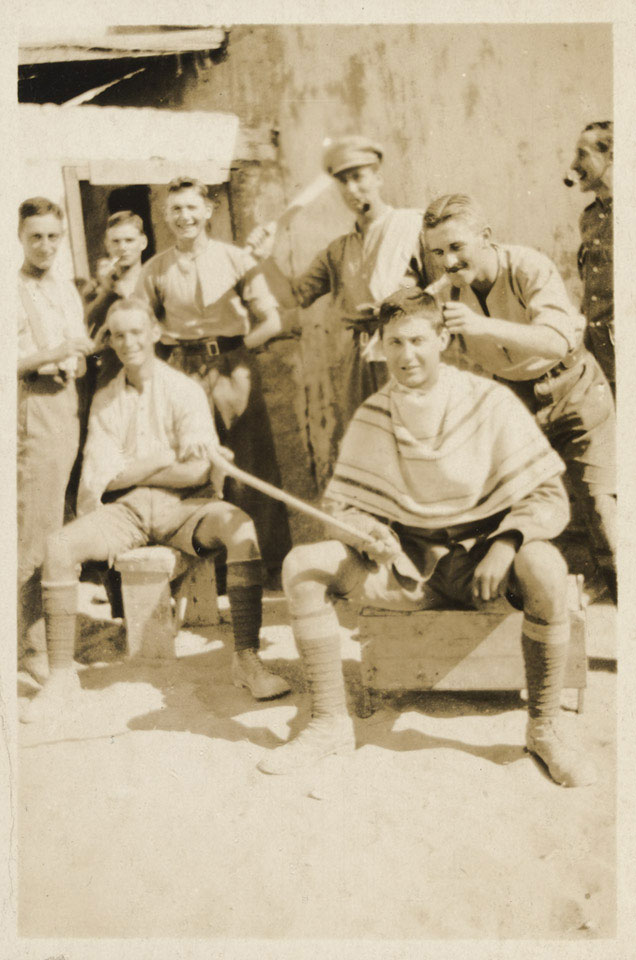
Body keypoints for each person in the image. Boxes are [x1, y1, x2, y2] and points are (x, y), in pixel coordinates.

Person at [257, 288, 596, 788]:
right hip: (409, 568)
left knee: (546, 566)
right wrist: (368, 533)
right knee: (303, 567)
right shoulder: (376, 413)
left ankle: (544, 728)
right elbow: (341, 509)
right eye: (394, 342)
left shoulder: (489, 401)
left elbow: (548, 498)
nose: (406, 355)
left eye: (417, 340)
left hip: (486, 566)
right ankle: (328, 722)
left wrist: (505, 545)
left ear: (442, 338)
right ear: (381, 346)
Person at [22, 297, 290, 724]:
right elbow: (104, 479)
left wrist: (140, 469)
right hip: (128, 513)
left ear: (154, 334)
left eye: (136, 332)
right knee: (58, 546)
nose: (128, 342)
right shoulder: (107, 400)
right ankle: (60, 676)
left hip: (185, 507)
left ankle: (247, 659)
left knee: (241, 529)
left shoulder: (183, 390)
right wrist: (163, 464)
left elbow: (199, 469)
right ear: (110, 341)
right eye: (118, 334)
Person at [422, 194, 616, 602]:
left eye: (457, 247)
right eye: (438, 251)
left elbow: (558, 340)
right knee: (510, 504)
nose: (448, 261)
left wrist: (480, 328)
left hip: (574, 392)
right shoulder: (446, 290)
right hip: (516, 404)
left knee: (602, 508)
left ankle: (619, 588)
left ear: (486, 237)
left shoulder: (528, 267)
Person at [135, 176, 291, 583]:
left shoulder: (237, 259)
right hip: (181, 372)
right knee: (193, 465)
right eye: (175, 210)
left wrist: (239, 353)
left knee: (251, 464)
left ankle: (268, 565)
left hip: (233, 371)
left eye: (191, 208)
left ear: (208, 212)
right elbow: (140, 327)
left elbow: (271, 320)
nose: (184, 216)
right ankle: (208, 572)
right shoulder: (155, 269)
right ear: (166, 216)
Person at [247, 135, 429, 432]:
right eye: (343, 182)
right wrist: (265, 259)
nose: (352, 189)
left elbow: (444, 290)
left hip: (409, 354)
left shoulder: (413, 227)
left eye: (358, 177)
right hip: (358, 364)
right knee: (370, 441)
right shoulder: (338, 251)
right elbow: (294, 297)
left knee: (416, 437)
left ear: (378, 177)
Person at [17, 197, 94, 684]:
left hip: (68, 404)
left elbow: (78, 347)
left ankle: (53, 635)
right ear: (20, 238)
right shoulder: (10, 287)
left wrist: (77, 356)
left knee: (61, 522)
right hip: (35, 404)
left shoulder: (65, 287)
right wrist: (56, 351)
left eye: (53, 237)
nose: (45, 245)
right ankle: (31, 645)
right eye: (35, 237)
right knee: (36, 528)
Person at [565, 121, 614, 395]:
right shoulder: (589, 218)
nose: (574, 164)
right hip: (598, 356)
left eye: (582, 154)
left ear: (612, 156)